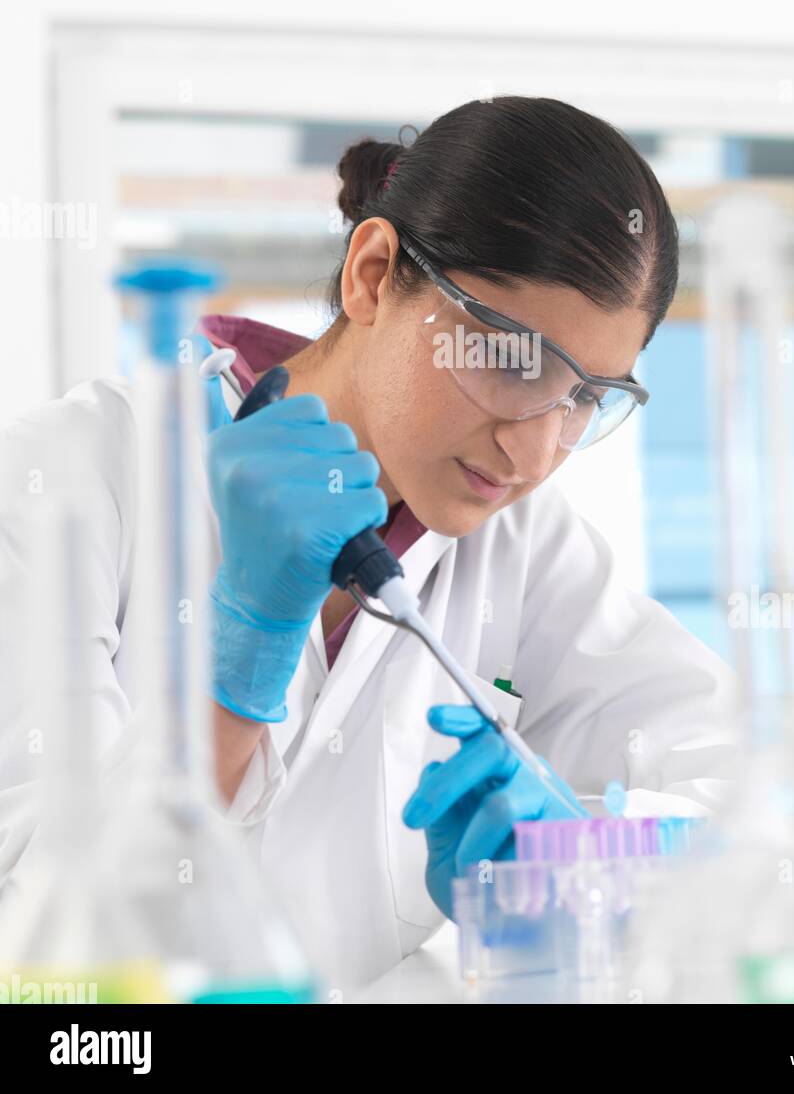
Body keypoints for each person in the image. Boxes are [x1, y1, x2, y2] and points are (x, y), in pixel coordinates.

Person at [0, 96, 736, 988]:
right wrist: (234, 676)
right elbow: (36, 945)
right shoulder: (67, 480)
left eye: (587, 395)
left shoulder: (528, 551)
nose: (536, 450)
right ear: (375, 273)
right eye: (510, 359)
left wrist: (588, 859)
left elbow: (745, 805)